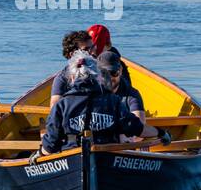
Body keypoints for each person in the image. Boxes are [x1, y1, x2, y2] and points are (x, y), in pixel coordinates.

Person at [32, 53, 165, 161]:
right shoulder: (114, 101)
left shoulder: (61, 105)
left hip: (71, 157)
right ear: (98, 76)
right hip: (109, 157)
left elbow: (51, 144)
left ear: (72, 78)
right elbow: (137, 128)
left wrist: (39, 154)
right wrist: (161, 133)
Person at [49, 30, 94, 110]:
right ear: (73, 54)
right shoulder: (62, 79)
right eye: (86, 50)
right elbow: (54, 108)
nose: (92, 52)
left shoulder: (100, 71)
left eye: (92, 48)